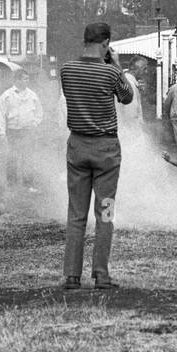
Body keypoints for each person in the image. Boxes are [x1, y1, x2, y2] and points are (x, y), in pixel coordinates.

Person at [59, 22, 134, 290]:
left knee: (76, 213)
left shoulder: (67, 70)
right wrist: (116, 65)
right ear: (105, 45)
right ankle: (101, 274)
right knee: (105, 212)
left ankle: (71, 275)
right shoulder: (110, 74)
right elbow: (127, 97)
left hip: (77, 146)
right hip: (106, 151)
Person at [0, 69, 44, 185]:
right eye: (25, 78)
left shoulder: (32, 95)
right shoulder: (6, 96)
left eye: (28, 79)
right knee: (12, 157)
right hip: (13, 131)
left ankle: (28, 183)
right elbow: (0, 115)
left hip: (28, 131)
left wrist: (35, 123)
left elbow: (39, 112)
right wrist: (1, 132)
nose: (27, 81)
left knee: (28, 157)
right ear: (17, 80)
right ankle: (11, 183)